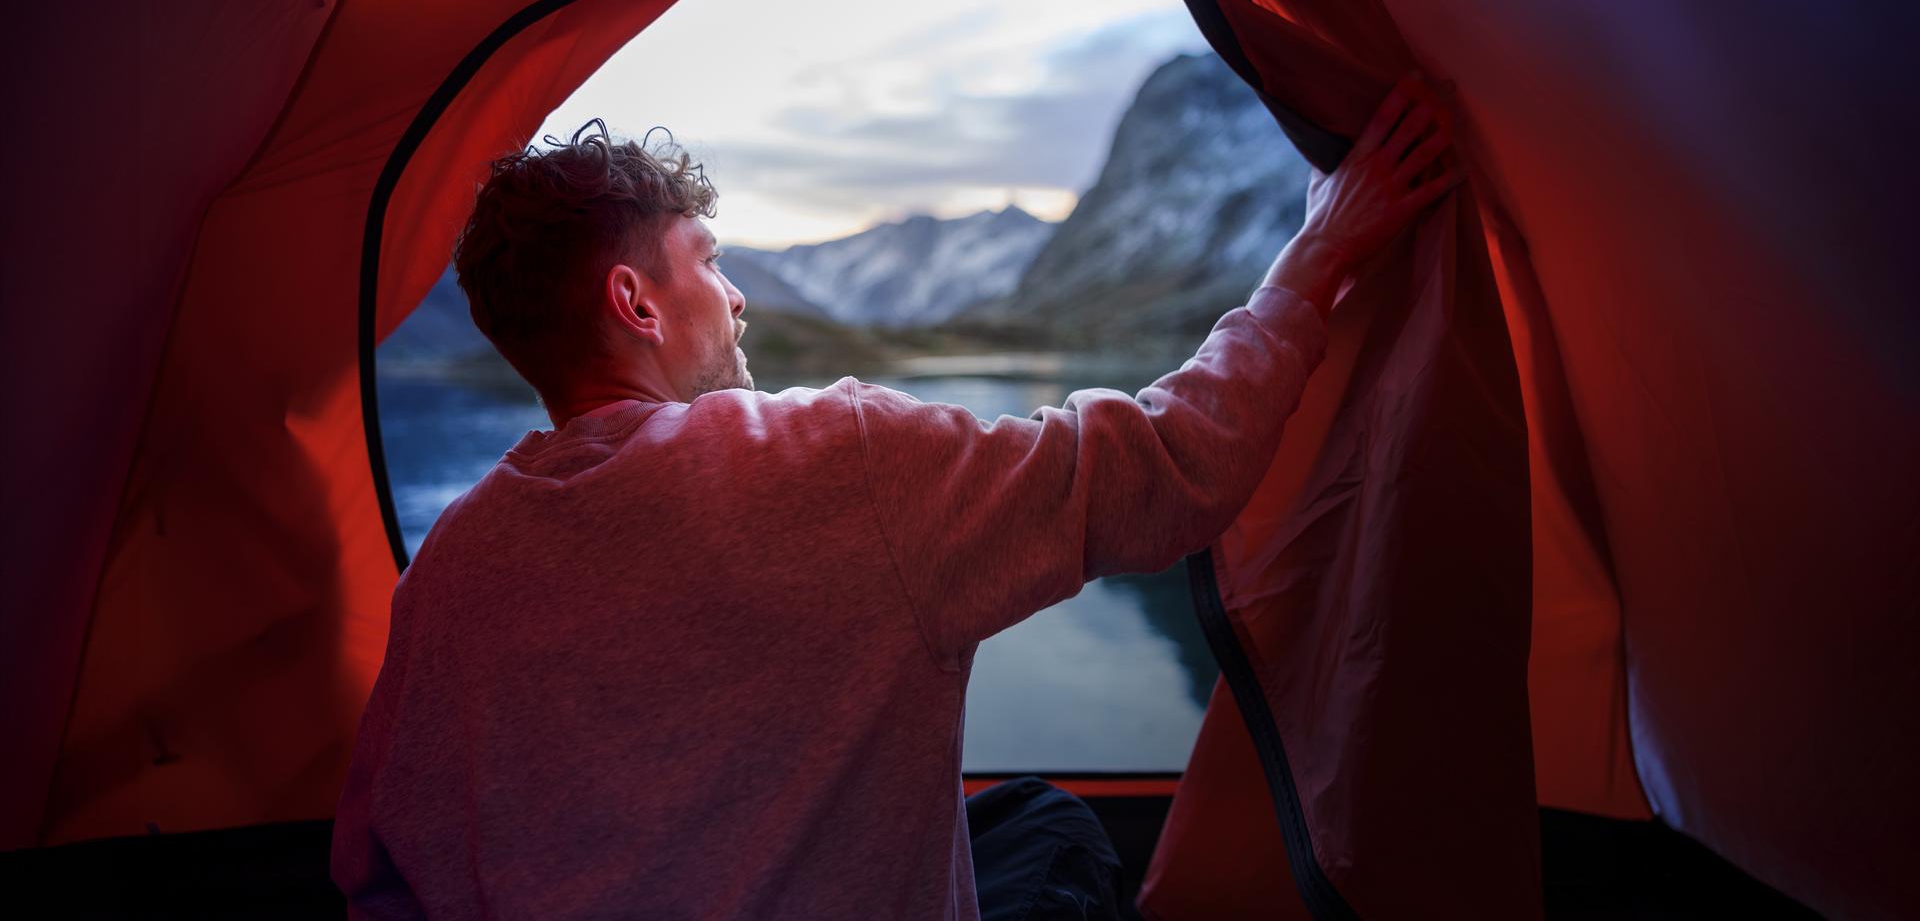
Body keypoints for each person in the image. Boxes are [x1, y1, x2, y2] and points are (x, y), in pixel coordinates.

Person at [331, 72, 1460, 919]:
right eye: (710, 262)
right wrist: (1317, 259)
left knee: (1020, 818)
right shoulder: (837, 463)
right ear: (635, 301)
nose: (737, 302)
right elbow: (1174, 467)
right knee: (1054, 832)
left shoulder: (454, 566)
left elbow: (375, 869)